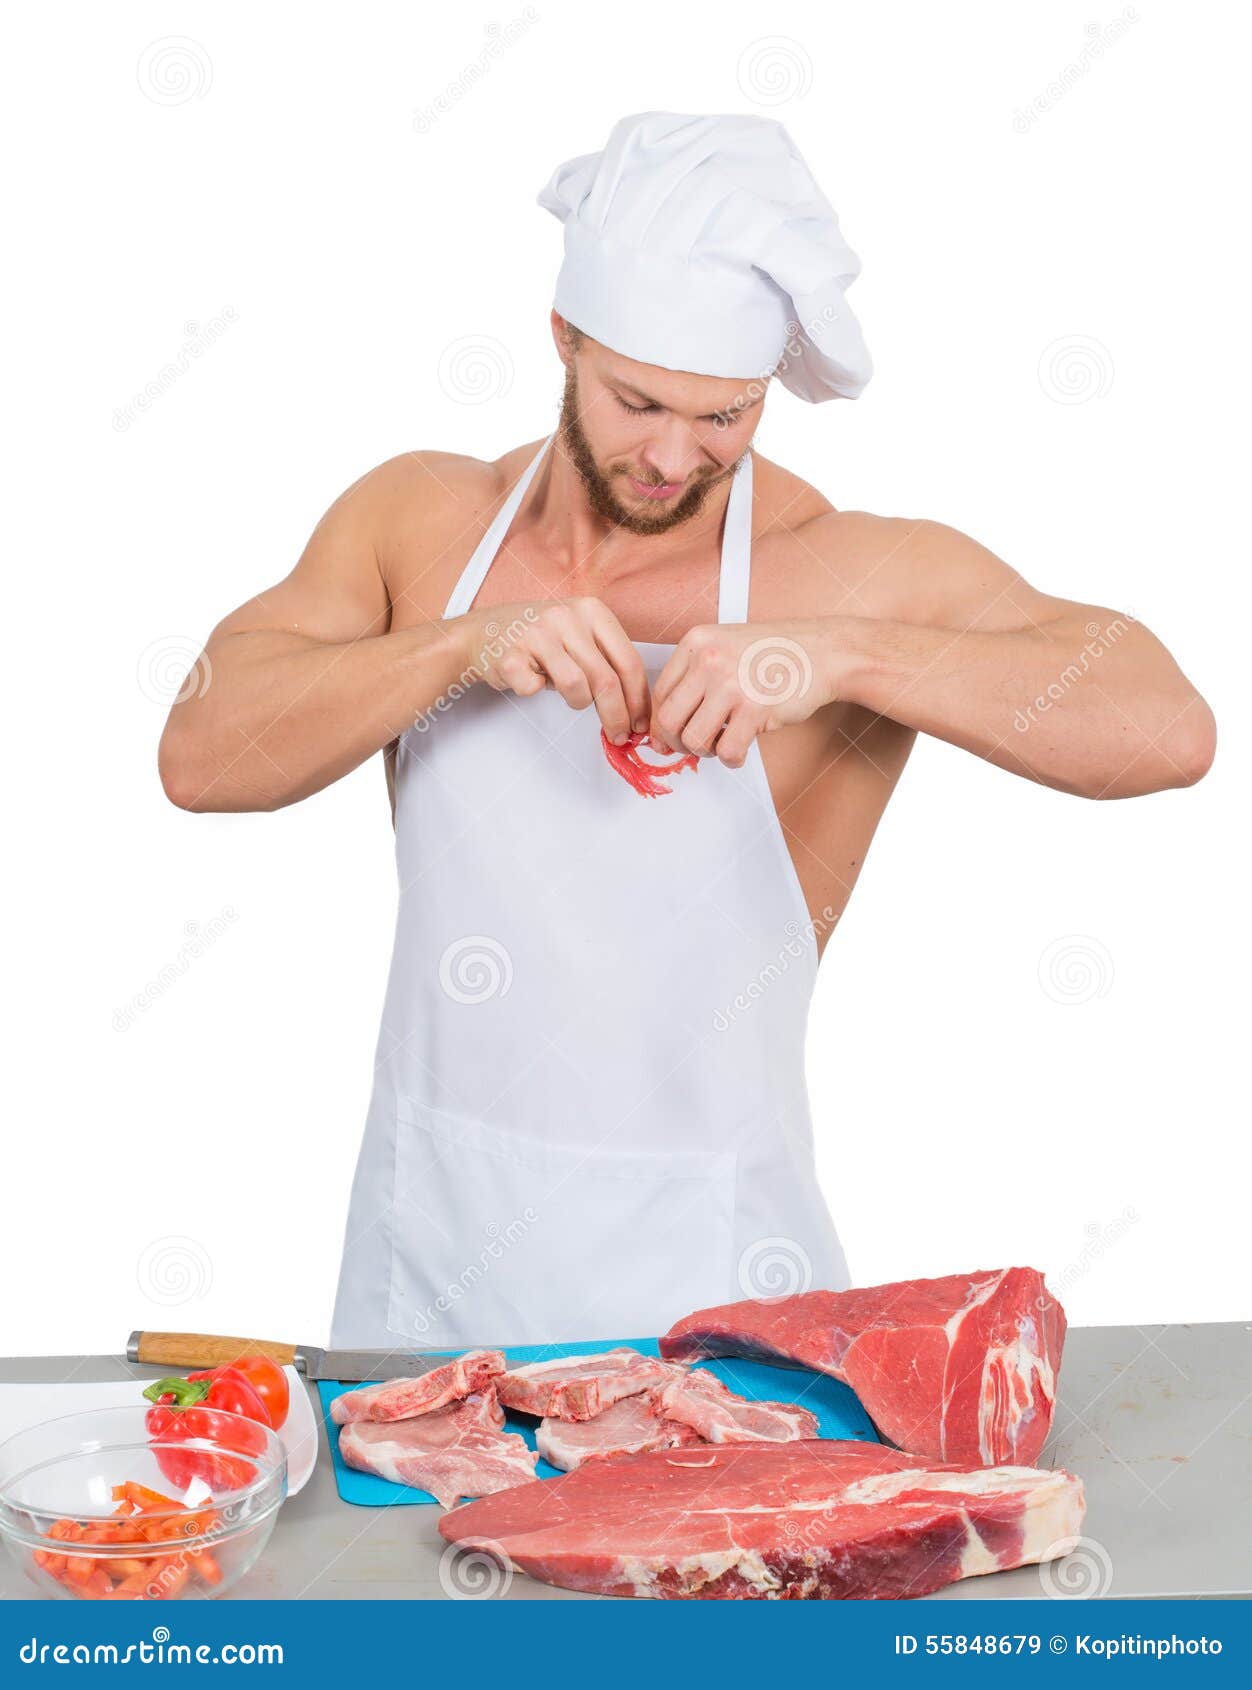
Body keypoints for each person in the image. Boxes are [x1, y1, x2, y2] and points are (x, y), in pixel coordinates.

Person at [158, 113, 1215, 1349]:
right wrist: (458, 648)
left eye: (724, 419)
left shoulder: (837, 569)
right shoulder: (423, 522)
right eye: (637, 401)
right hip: (431, 1251)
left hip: (713, 1280)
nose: (672, 456)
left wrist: (834, 656)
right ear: (563, 338)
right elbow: (201, 753)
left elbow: (1165, 724)